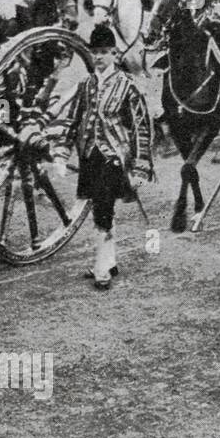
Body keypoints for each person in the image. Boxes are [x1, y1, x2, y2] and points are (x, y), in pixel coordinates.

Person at [66, 23, 154, 290]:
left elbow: (141, 127)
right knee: (101, 206)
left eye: (105, 52)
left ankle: (102, 268)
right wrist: (61, 152)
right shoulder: (86, 84)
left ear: (116, 54)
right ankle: (110, 260)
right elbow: (74, 118)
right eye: (96, 52)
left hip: (114, 156)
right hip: (89, 156)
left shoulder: (128, 86)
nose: (100, 57)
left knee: (103, 208)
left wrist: (140, 167)